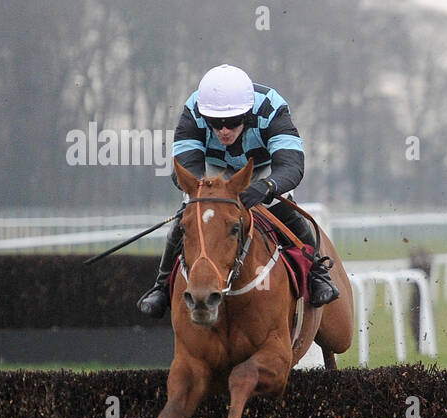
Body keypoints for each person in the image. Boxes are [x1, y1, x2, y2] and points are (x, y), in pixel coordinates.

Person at [137, 64, 340, 318]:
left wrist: (267, 186)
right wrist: (206, 195)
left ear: (246, 114)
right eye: (215, 123)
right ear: (204, 114)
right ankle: (161, 287)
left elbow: (290, 165)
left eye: (232, 123)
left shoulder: (271, 108)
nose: (223, 131)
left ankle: (318, 275)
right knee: (187, 217)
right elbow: (185, 168)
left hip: (262, 169)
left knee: (284, 211)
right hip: (214, 172)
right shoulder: (193, 109)